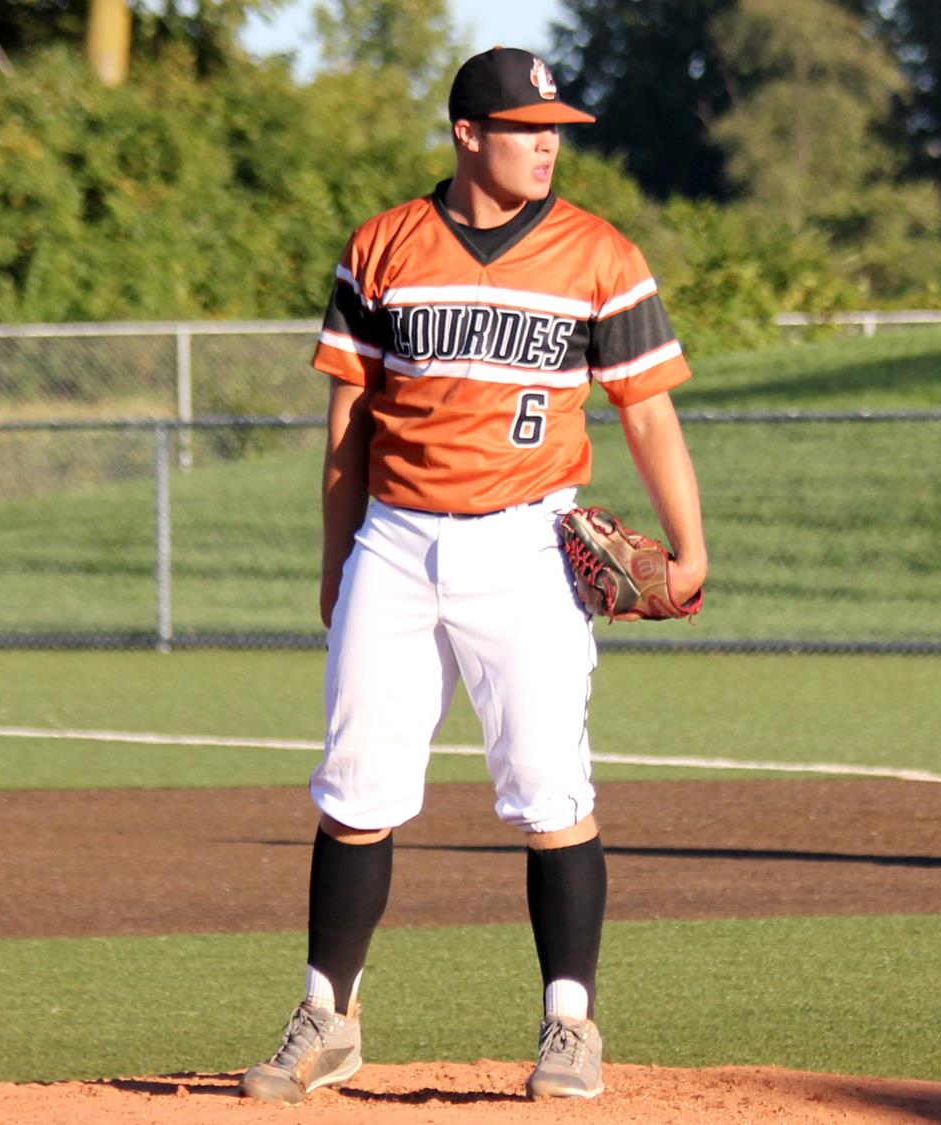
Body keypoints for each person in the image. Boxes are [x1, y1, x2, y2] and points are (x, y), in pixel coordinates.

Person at [239, 47, 708, 1104]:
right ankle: (328, 1015)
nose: (546, 144)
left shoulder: (598, 255)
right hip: (394, 544)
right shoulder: (385, 246)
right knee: (354, 790)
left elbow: (647, 411)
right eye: (524, 126)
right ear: (466, 134)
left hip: (527, 546)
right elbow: (346, 423)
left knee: (549, 791)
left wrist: (691, 544)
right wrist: (336, 559)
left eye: (555, 129)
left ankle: (569, 1026)